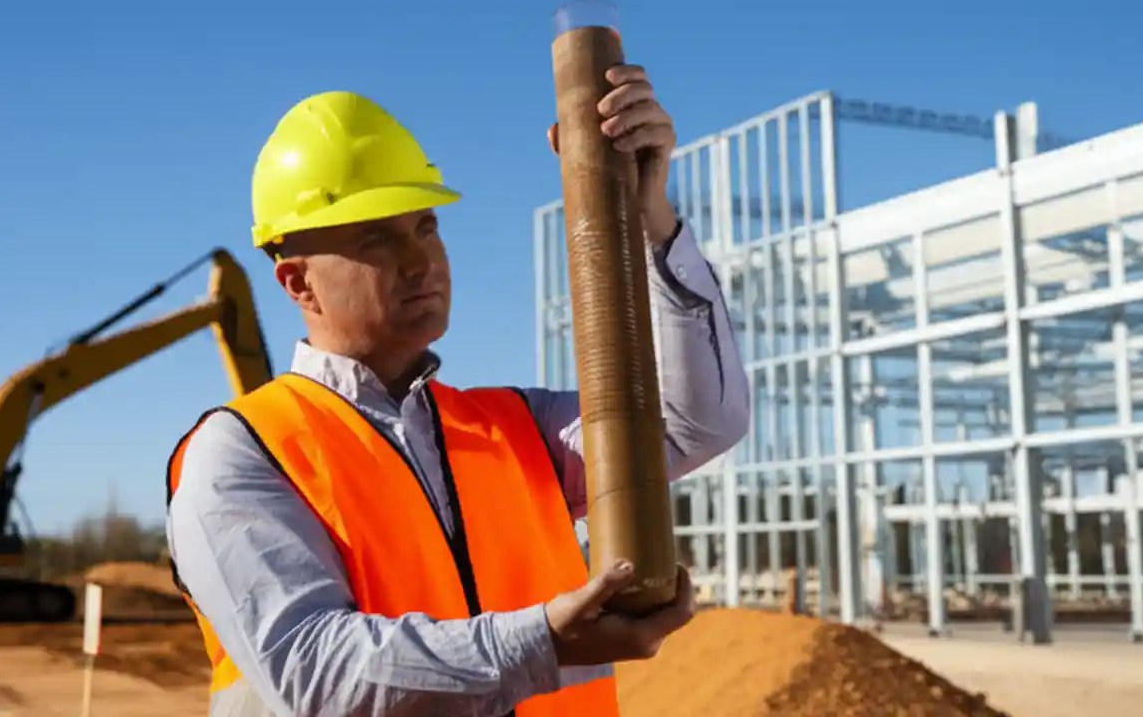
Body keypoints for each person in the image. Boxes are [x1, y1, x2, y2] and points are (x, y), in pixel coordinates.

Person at [165, 64, 750, 717]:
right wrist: (545, 640)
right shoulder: (240, 454)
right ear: (298, 283)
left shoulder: (517, 428)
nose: (421, 260)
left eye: (425, 227)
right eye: (376, 238)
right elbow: (315, 672)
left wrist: (650, 218)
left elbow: (698, 421)